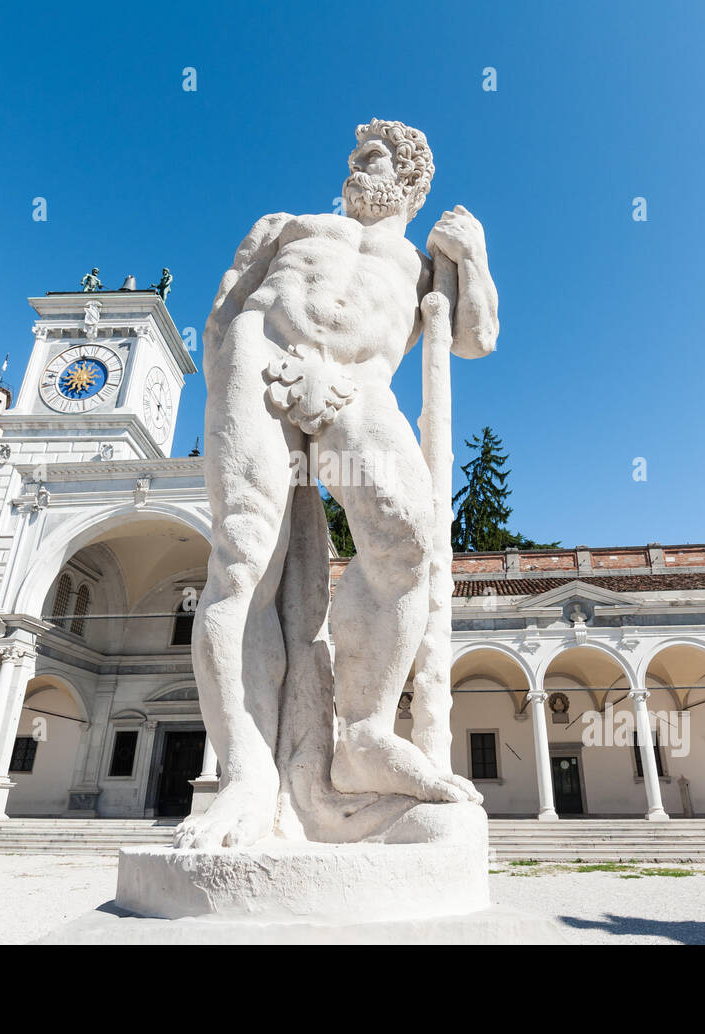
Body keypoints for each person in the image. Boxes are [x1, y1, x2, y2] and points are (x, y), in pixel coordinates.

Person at [178, 119, 499, 849]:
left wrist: (473, 258)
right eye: (355, 157)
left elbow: (476, 338)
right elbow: (224, 309)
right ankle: (248, 776)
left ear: (412, 180)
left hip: (359, 384)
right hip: (263, 358)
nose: (356, 166)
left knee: (407, 543)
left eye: (373, 158)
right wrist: (235, 376)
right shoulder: (289, 224)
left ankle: (361, 737)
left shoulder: (426, 268)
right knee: (244, 559)